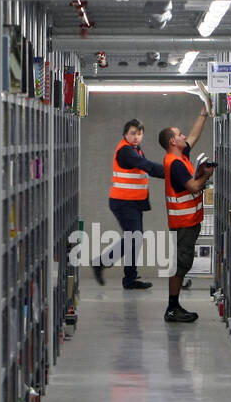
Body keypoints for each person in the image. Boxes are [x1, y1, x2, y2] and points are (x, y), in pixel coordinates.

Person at [92, 119, 166, 289]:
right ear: (125, 134)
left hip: (133, 202)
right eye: (132, 133)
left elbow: (144, 170)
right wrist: (172, 171)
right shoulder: (126, 151)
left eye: (139, 134)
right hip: (123, 202)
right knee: (135, 237)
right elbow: (146, 166)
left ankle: (130, 279)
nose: (136, 137)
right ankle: (101, 262)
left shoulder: (136, 150)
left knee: (135, 239)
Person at [159, 104, 215, 322]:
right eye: (178, 134)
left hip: (188, 219)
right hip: (183, 221)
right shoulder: (175, 164)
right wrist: (206, 175)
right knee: (180, 265)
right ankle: (172, 309)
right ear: (173, 141)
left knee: (183, 263)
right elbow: (193, 187)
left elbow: (193, 135)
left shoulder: (180, 156)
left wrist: (203, 111)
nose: (184, 135)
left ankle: (174, 307)